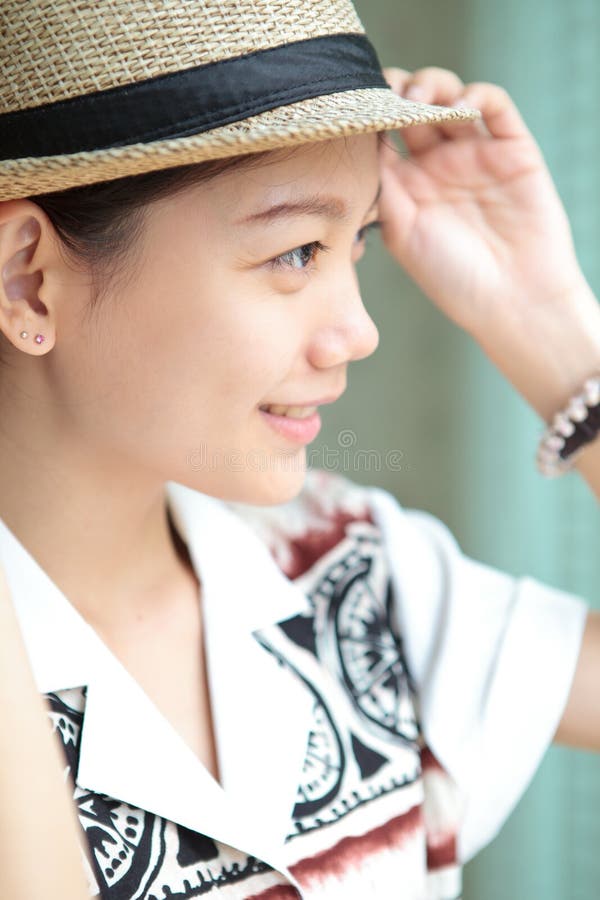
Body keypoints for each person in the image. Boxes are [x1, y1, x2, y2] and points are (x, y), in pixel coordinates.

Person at [0, 1, 598, 898]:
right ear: (28, 282)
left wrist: (552, 329)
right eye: (294, 252)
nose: (357, 332)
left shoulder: (349, 572)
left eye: (359, 241)